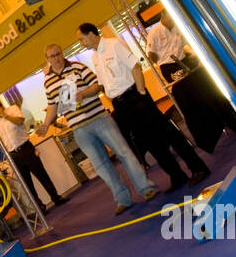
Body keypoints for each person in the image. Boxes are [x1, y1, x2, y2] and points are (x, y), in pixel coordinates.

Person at [78, 24, 210, 194]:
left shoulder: (114, 44)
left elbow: (135, 67)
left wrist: (141, 94)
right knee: (151, 143)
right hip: (121, 105)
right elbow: (104, 84)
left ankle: (198, 167)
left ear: (91, 34)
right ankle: (176, 175)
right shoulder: (96, 57)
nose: (81, 43)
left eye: (81, 39)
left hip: (135, 96)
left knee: (167, 133)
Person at [41, 44, 159, 215]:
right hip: (78, 129)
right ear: (47, 59)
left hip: (99, 119)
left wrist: (84, 94)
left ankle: (146, 187)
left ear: (62, 53)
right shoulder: (47, 81)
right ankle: (122, 199)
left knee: (124, 152)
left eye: (58, 54)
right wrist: (45, 124)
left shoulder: (78, 66)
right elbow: (52, 105)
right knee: (101, 165)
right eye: (52, 56)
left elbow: (98, 86)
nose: (56, 58)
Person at [0, 99, 68, 212]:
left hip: (25, 148)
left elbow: (20, 122)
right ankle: (40, 207)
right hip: (13, 154)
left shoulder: (12, 109)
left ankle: (56, 198)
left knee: (41, 175)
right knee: (27, 183)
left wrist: (5, 115)